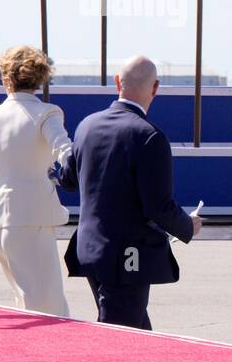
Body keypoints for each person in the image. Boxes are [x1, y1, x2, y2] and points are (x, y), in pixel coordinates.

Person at [56, 55, 201, 330]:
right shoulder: (149, 136)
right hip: (128, 257)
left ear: (117, 82)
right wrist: (187, 227)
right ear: (155, 88)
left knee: (135, 331)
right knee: (121, 336)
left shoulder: (87, 125)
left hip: (90, 249)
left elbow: (69, 180)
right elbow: (158, 206)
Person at [0, 47, 72, 317]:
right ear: (40, 79)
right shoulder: (48, 113)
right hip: (33, 220)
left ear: (6, 79)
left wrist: (8, 172)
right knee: (50, 310)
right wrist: (52, 174)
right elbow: (66, 150)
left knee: (24, 306)